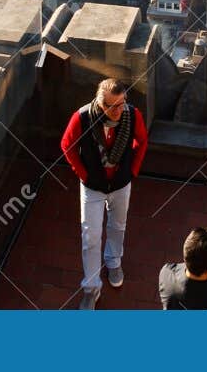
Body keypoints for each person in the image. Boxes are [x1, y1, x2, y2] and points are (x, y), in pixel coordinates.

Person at [60, 78, 148, 309]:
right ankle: (91, 288)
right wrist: (84, 175)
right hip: (93, 186)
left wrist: (132, 171)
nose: (118, 111)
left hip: (120, 184)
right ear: (100, 104)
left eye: (121, 104)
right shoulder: (82, 117)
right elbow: (67, 145)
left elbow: (142, 141)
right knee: (90, 236)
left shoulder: (132, 115)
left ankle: (114, 261)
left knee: (118, 226)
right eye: (112, 106)